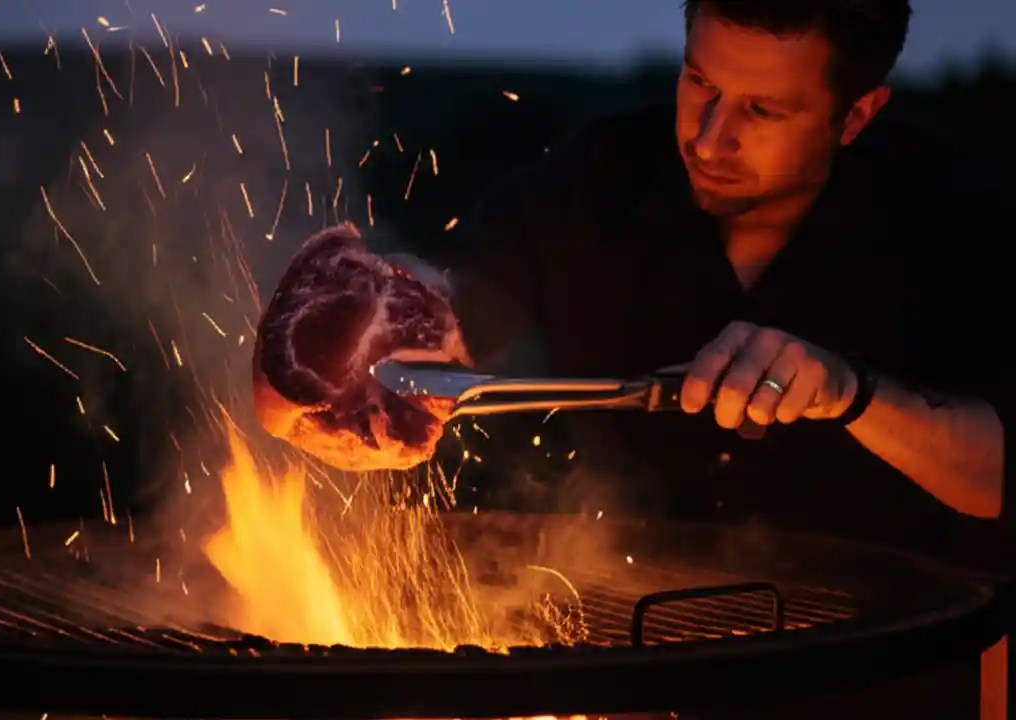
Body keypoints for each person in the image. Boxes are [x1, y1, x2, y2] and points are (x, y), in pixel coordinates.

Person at [429, 1, 1011, 717]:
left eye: (762, 111)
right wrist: (388, 309)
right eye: (700, 84)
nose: (708, 139)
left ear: (856, 116)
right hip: (614, 682)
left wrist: (850, 393)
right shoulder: (601, 178)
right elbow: (453, 290)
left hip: (871, 686)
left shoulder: (959, 224)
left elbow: (1000, 477)